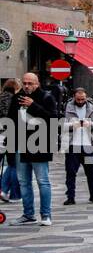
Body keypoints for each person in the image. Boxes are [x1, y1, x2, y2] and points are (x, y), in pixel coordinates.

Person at [5, 73, 56, 225]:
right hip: (21, 146)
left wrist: (33, 105)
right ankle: (28, 214)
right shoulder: (17, 98)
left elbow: (53, 119)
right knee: (23, 182)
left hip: (40, 145)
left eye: (30, 83)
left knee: (43, 181)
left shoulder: (46, 97)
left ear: (37, 83)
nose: (27, 86)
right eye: (25, 83)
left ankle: (46, 215)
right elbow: (11, 122)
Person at [63, 87, 93, 205]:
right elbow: (60, 125)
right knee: (70, 172)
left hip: (88, 146)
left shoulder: (92, 108)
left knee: (91, 172)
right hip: (72, 145)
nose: (80, 101)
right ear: (74, 97)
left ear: (86, 98)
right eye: (78, 99)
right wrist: (71, 125)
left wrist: (90, 123)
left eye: (83, 99)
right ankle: (70, 197)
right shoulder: (67, 108)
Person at [0, 78, 18, 203]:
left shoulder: (0, 97)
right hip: (8, 135)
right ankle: (9, 192)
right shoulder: (14, 100)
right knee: (13, 164)